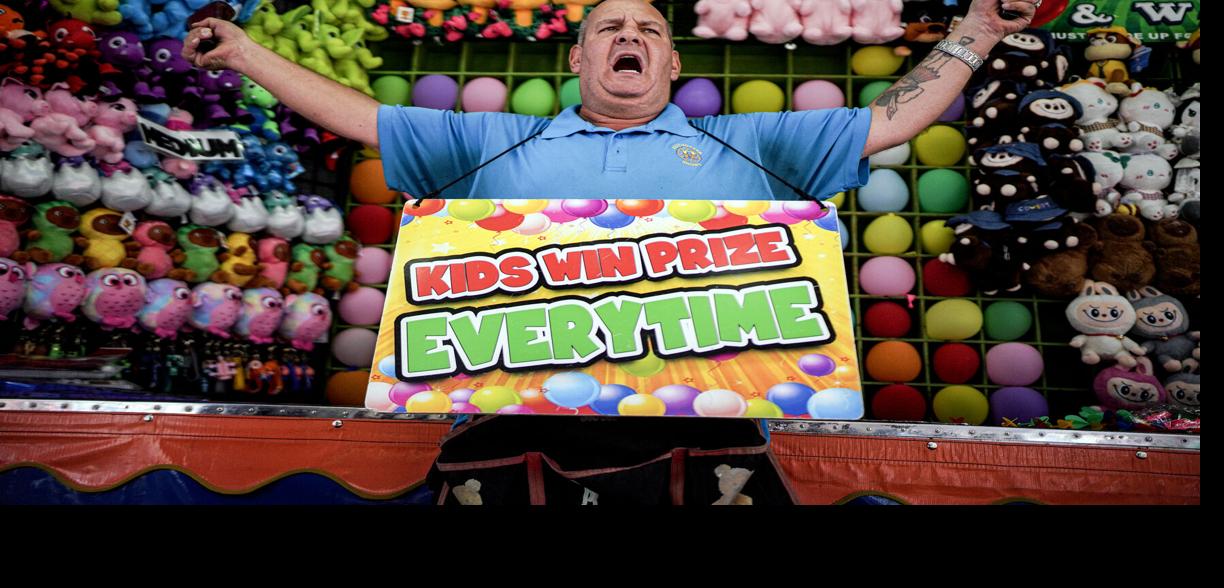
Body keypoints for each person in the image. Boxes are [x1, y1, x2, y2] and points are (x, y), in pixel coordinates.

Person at [185, 0, 1041, 504]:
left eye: (645, 27)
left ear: (668, 59)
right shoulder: (491, 142)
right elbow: (360, 119)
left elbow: (892, 119)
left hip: (709, 437)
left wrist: (975, 26)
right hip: (502, 428)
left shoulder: (756, 143)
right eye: (608, 27)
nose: (626, 35)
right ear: (578, 54)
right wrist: (247, 52)